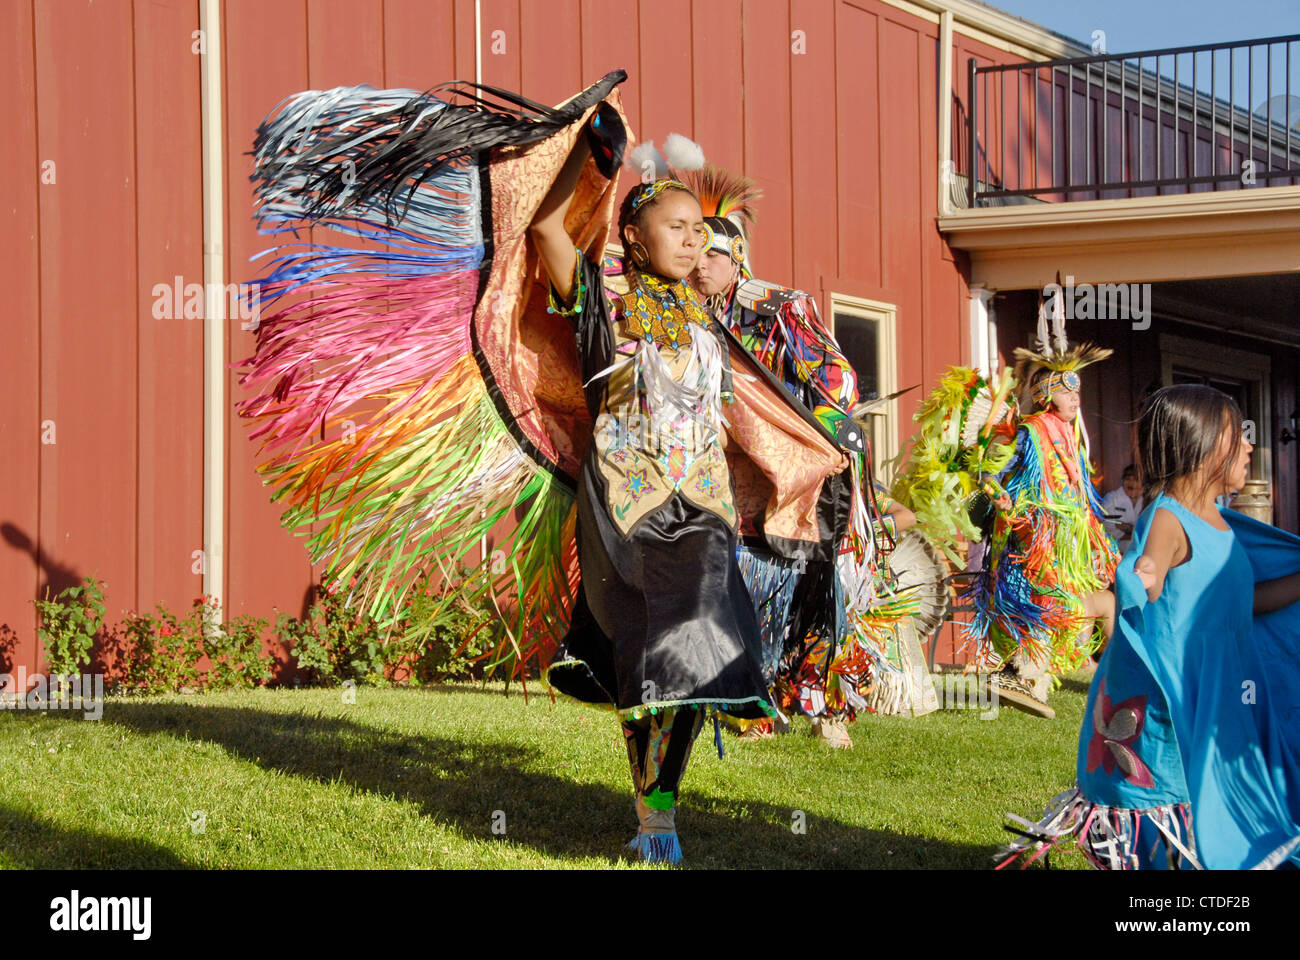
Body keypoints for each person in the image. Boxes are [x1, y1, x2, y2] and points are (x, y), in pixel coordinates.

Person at [238, 73, 850, 865]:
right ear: (636, 237)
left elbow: (774, 388)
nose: (696, 241)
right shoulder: (604, 303)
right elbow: (551, 235)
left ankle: (658, 811)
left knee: (695, 654)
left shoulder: (711, 316)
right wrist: (590, 153)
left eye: (703, 231)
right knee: (656, 654)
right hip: (626, 508)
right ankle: (654, 818)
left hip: (698, 507)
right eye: (678, 228)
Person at [998, 384, 1300, 869]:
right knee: (1173, 828)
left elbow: (1244, 605)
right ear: (1200, 447)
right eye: (1236, 435)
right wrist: (1123, 591)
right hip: (1178, 708)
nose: (1249, 444)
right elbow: (1149, 569)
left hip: (1225, 702)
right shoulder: (1169, 519)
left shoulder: (1221, 522)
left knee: (1224, 815)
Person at [682, 165, 931, 745]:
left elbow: (838, 382)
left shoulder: (778, 307)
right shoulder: (690, 319)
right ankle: (756, 703)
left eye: (711, 256)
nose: (699, 267)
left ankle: (828, 706)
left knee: (820, 580)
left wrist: (782, 422)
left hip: (804, 468)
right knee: (746, 581)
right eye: (693, 255)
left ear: (735, 256)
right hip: (736, 474)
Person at [971, 294, 1119, 720]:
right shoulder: (1032, 431)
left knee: (1069, 606)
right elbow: (991, 473)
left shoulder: (1068, 435)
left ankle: (1023, 678)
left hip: (1063, 543)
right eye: (1069, 390)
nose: (1077, 399)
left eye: (1079, 390)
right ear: (1046, 392)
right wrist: (1005, 503)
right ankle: (1018, 675)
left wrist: (1095, 540)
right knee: (1048, 605)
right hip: (1031, 536)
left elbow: (1078, 494)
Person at [1101, 464, 1144, 555]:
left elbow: (1149, 531)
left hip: (1140, 553)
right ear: (1122, 481)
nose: (1131, 483)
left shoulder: (1147, 500)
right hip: (1115, 553)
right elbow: (1108, 527)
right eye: (1128, 479)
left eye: (1136, 480)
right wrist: (1135, 533)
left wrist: (1127, 528)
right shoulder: (1111, 498)